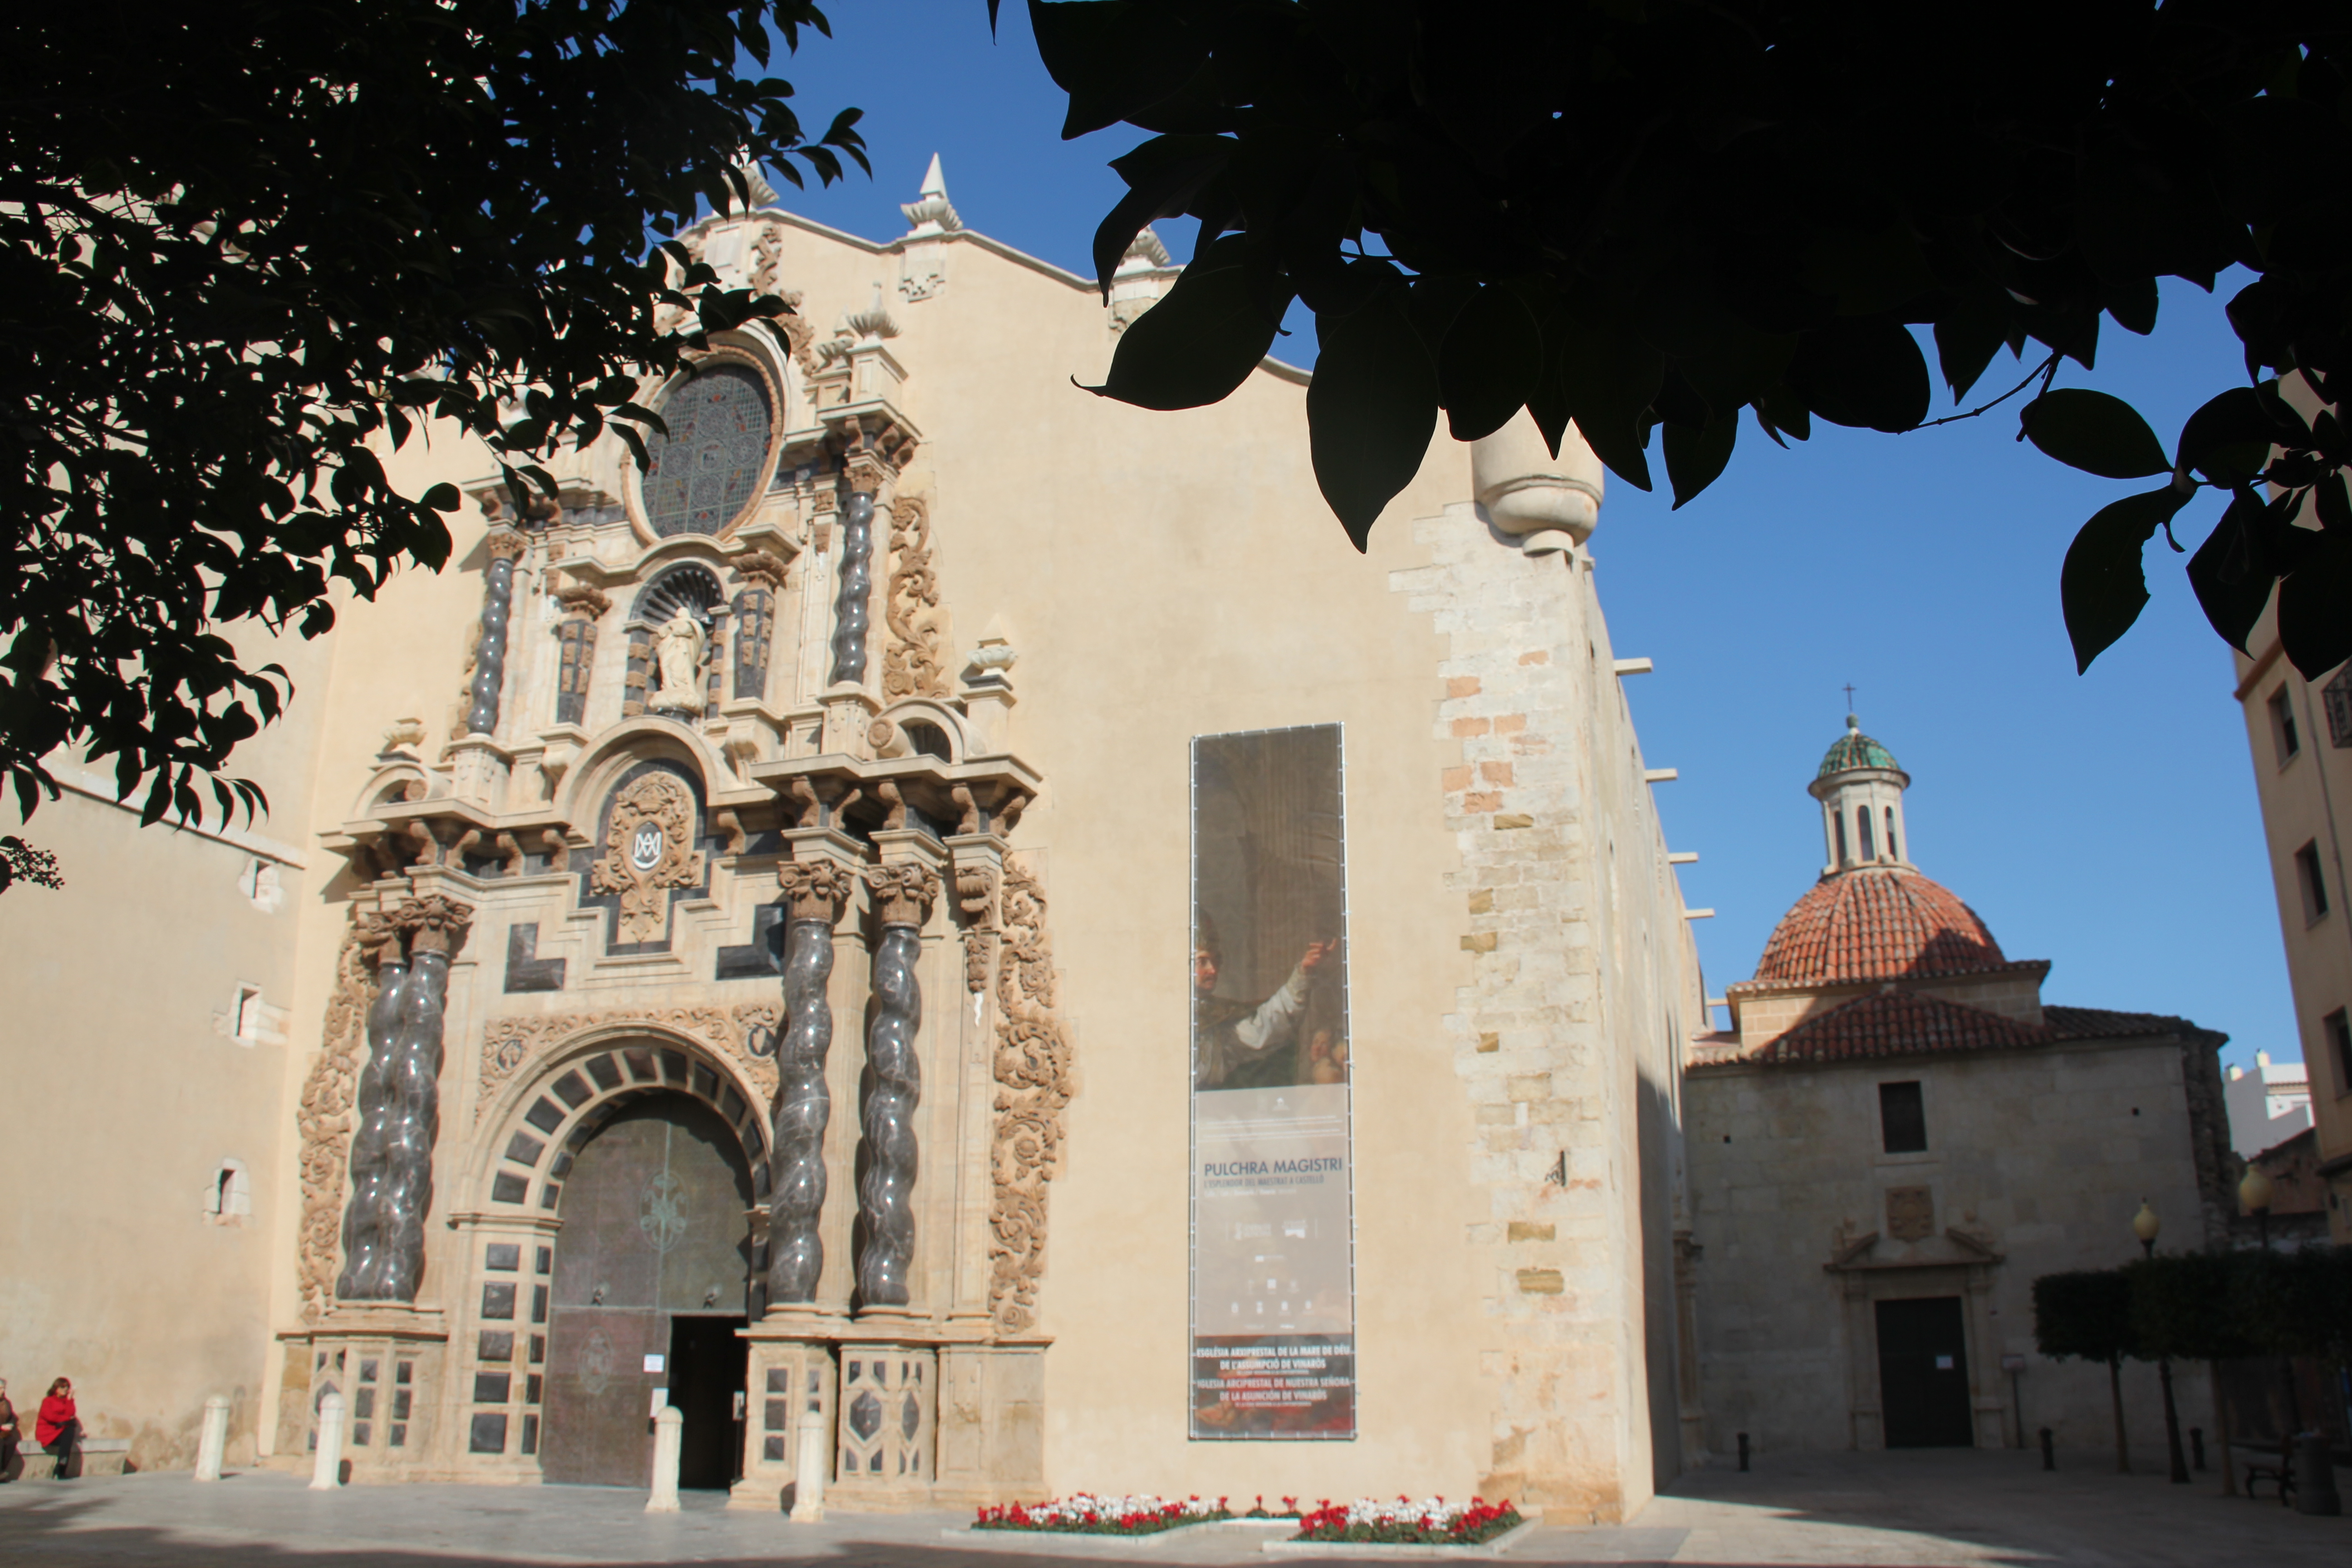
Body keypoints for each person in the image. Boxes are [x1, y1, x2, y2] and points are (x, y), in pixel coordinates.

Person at [1191, 909, 1338, 1090]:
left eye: (1216, 961)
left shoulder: (1216, 1018)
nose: (1213, 970)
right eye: (1202, 962)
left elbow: (1266, 1027)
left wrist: (1305, 972)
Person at [34, 1377, 78, 1480]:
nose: (65, 1389)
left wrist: (70, 1399)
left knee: (69, 1432)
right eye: (62, 1387)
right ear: (56, 1388)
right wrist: (67, 1419)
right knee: (68, 1434)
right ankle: (61, 1469)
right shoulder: (48, 1401)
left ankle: (61, 1467)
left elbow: (71, 1413)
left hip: (60, 1432)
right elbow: (51, 1417)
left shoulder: (66, 1401)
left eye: (67, 1387)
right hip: (47, 1433)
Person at [0, 1378, 19, 1481]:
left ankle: (2, 1470)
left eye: (4, 1388)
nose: (3, 1391)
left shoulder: (6, 1403)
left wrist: (12, 1423)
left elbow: (13, 1416)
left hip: (4, 1432)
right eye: (1, 1389)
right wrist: (1, 1427)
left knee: (11, 1442)